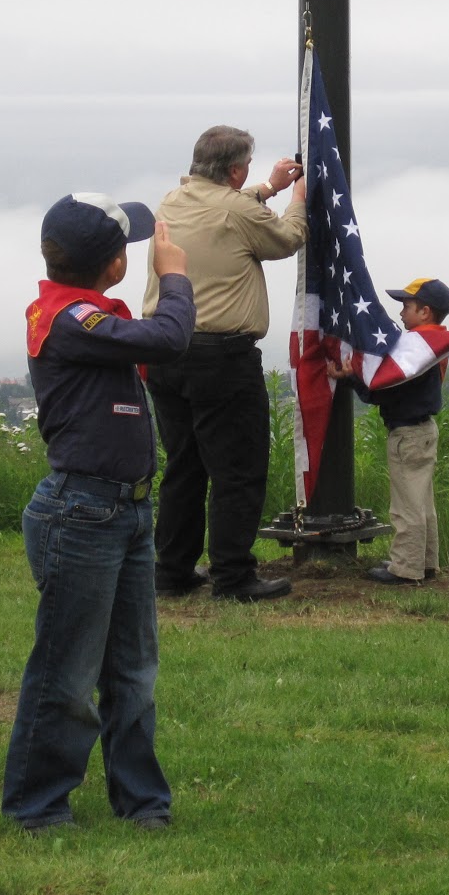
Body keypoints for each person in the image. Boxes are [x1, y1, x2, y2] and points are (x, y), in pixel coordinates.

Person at [1, 192, 195, 833]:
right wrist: (174, 275)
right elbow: (168, 338)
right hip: (81, 514)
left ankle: (143, 805)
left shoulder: (83, 310)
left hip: (125, 511)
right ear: (112, 264)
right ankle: (37, 809)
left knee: (133, 671)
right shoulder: (69, 320)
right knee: (67, 673)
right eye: (128, 247)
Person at [142, 126, 306, 602]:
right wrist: (297, 197)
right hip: (221, 357)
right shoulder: (237, 210)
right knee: (237, 469)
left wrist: (267, 188)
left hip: (165, 351)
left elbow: (227, 209)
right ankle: (233, 576)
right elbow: (287, 237)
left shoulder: (173, 200)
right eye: (248, 168)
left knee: (185, 465)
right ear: (235, 170)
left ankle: (171, 569)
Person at [325, 278, 449, 585]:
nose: (399, 313)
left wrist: (353, 377)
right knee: (422, 503)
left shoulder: (414, 352)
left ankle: (405, 569)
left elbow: (382, 391)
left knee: (406, 505)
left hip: (408, 435)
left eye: (406, 307)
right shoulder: (430, 346)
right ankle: (424, 563)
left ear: (425, 312)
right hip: (423, 430)